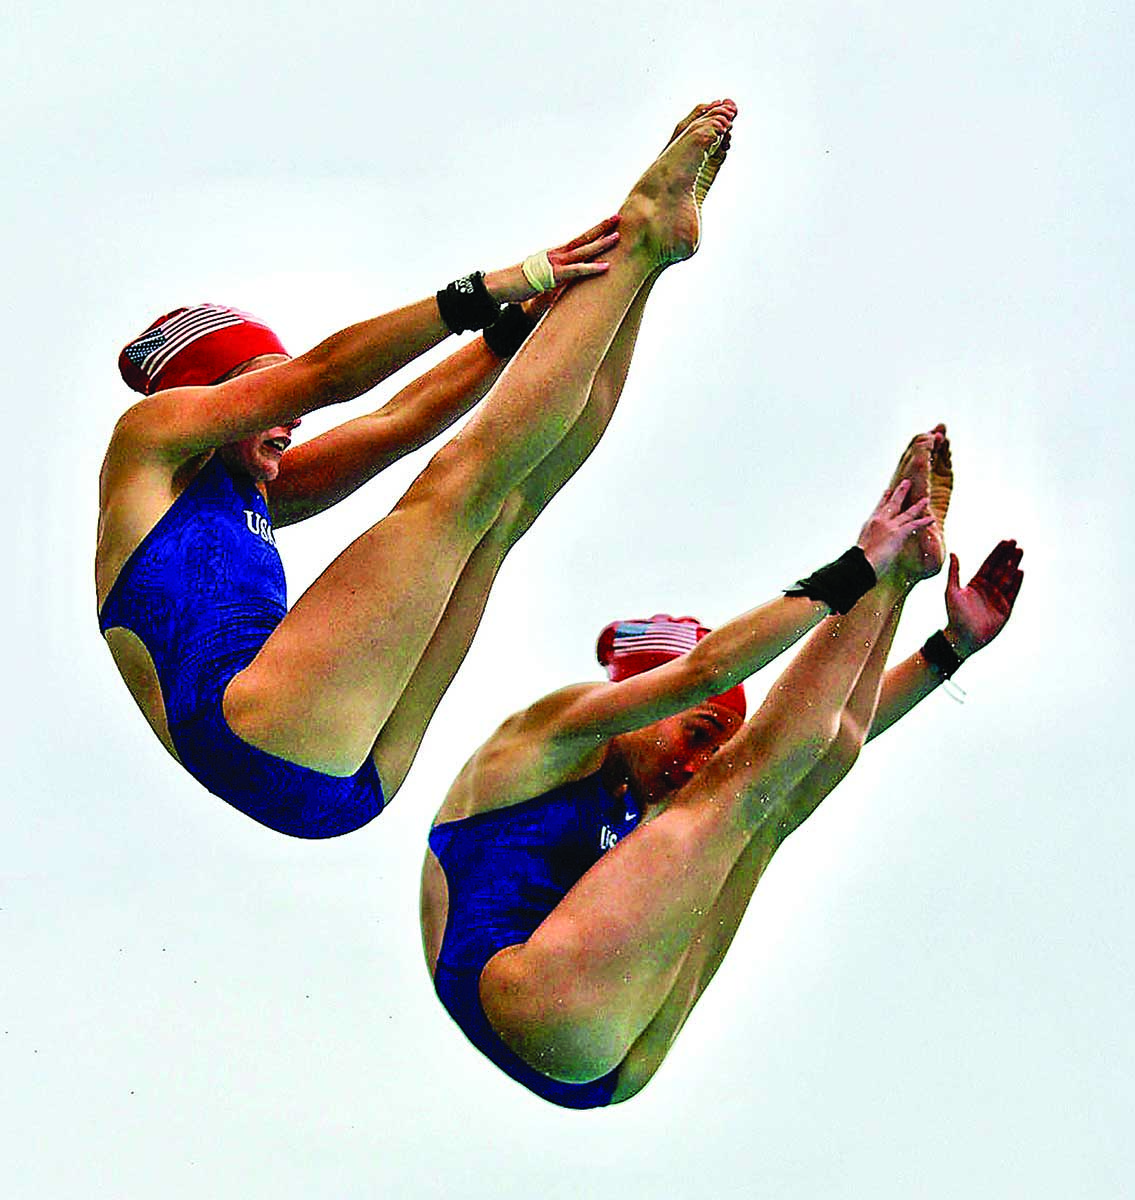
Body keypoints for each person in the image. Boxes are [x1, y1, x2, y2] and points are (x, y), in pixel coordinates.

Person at [96, 100, 738, 837]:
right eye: (260, 391)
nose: (290, 419)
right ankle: (644, 238)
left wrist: (526, 319)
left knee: (500, 514)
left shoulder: (255, 489)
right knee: (461, 489)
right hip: (261, 731)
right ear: (207, 399)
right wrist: (503, 280)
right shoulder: (146, 446)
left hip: (348, 776)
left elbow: (398, 419)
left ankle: (642, 265)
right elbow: (328, 373)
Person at [421, 430, 1024, 1108]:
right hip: (528, 1005)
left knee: (775, 801)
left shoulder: (646, 806)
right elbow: (711, 671)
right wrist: (861, 564)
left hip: (615, 1058)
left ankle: (902, 578)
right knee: (746, 786)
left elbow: (816, 737)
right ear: (647, 697)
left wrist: (946, 651)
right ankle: (893, 567)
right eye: (699, 730)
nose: (694, 763)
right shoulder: (550, 736)